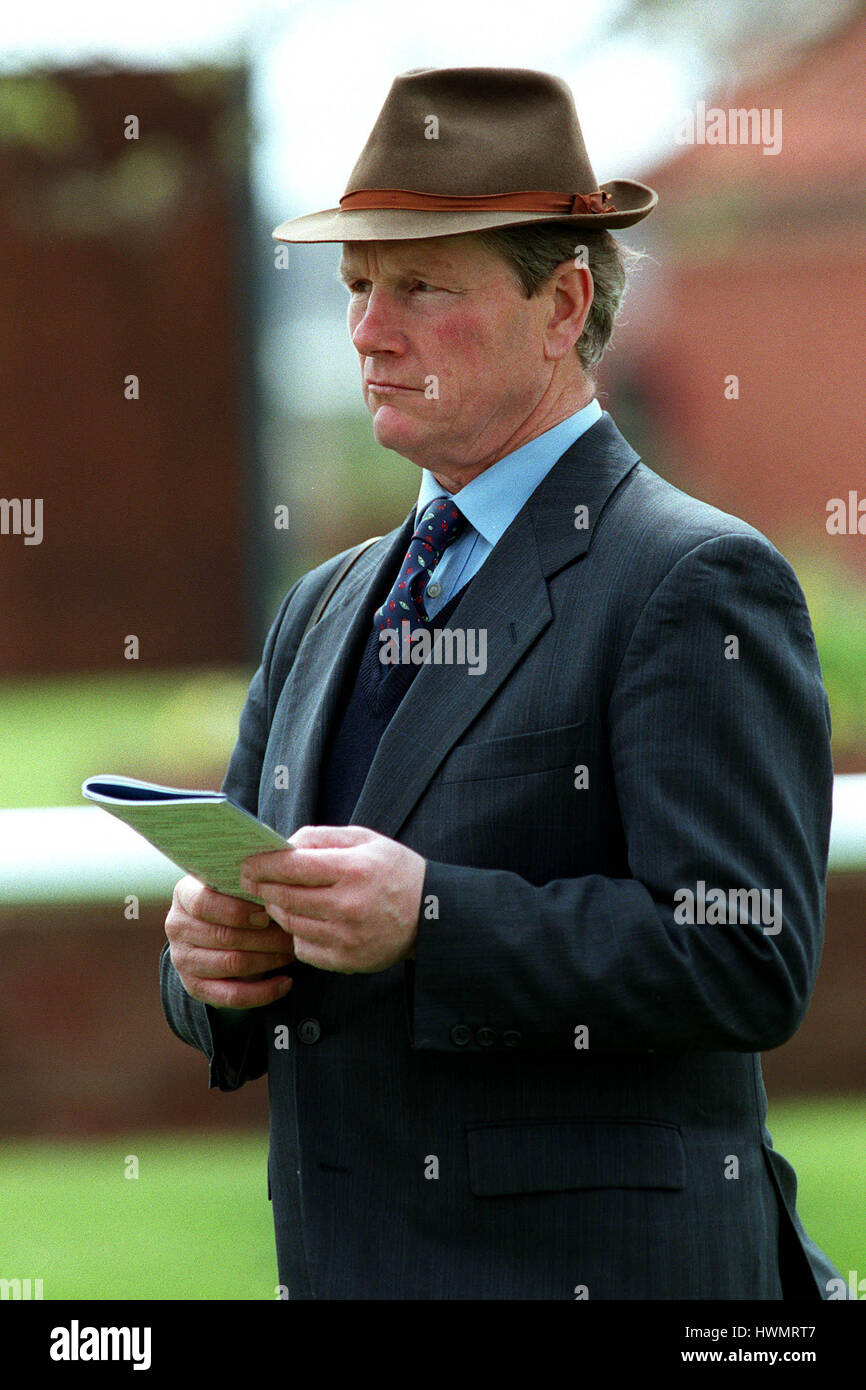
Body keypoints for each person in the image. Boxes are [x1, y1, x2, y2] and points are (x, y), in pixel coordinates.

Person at [160, 66, 844, 1300]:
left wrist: (430, 916)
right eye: (358, 285)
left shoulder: (692, 581)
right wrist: (210, 963)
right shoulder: (321, 605)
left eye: (419, 285)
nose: (369, 330)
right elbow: (252, 942)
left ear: (562, 302)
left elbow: (748, 954)